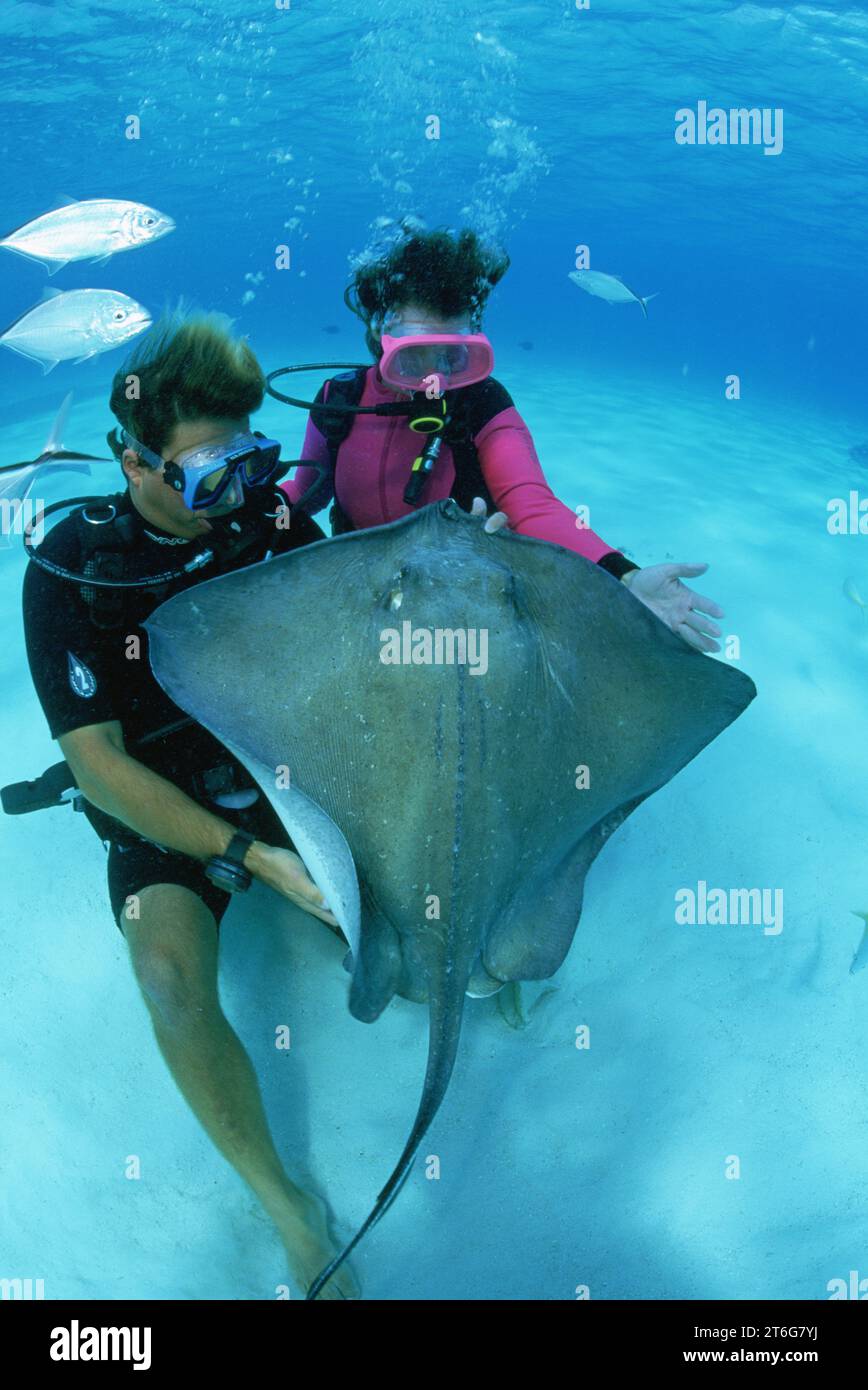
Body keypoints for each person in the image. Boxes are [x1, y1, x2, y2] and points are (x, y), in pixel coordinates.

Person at [20, 314, 360, 1300]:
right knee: (168, 978)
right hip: (161, 793)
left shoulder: (270, 518)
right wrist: (254, 861)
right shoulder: (69, 568)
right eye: (209, 474)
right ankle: (290, 1209)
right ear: (131, 461)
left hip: (283, 766)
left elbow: (345, 643)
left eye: (251, 462)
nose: (238, 497)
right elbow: (98, 767)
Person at [280, 226, 724, 651]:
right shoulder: (338, 399)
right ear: (381, 332)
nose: (436, 380)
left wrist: (624, 576)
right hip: (361, 594)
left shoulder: (483, 404)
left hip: (459, 604)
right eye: (416, 357)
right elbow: (305, 492)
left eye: (452, 357)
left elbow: (532, 503)